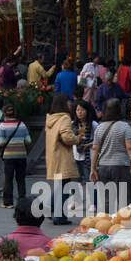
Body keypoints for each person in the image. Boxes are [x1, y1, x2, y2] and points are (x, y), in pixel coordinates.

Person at [45, 93, 81, 224]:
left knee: (61, 186)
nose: (70, 104)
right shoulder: (64, 118)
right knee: (67, 187)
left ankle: (51, 210)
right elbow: (67, 137)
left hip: (53, 156)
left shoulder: (50, 119)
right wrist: (77, 139)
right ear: (64, 103)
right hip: (63, 157)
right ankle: (58, 216)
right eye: (68, 102)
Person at [91, 99, 131, 189]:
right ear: (119, 110)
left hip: (103, 167)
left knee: (106, 199)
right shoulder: (125, 127)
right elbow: (130, 148)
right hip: (121, 166)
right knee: (123, 199)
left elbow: (94, 149)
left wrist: (92, 168)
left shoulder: (99, 127)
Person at [0, 103, 32, 208]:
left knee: (8, 178)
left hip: (8, 156)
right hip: (21, 155)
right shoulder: (22, 124)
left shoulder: (2, 125)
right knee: (21, 178)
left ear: (4, 113)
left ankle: (8, 202)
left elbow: (1, 142)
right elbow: (28, 140)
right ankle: (22, 201)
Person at [72, 99, 95, 186]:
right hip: (76, 157)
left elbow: (99, 140)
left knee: (90, 181)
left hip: (88, 157)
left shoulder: (93, 124)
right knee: (75, 182)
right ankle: (76, 199)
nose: (80, 112)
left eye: (82, 110)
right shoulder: (73, 124)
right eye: (77, 110)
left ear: (87, 111)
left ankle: (92, 199)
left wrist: (88, 145)